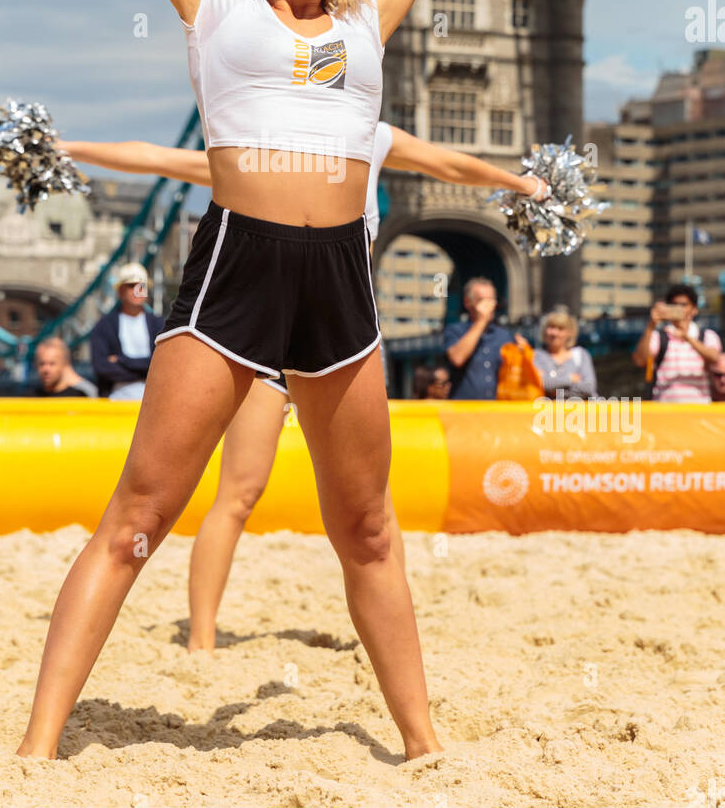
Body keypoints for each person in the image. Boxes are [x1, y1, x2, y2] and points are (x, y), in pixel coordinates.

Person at [16, 0, 524, 764]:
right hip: (235, 267)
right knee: (136, 520)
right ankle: (34, 752)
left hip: (340, 278)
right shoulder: (216, 7)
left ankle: (421, 746)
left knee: (368, 529)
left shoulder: (368, 14)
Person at [59, 124, 543, 651]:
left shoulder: (369, 135)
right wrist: (70, 148)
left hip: (338, 337)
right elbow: (158, 156)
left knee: (374, 503)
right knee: (240, 494)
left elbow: (453, 165)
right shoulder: (269, 139)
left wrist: (526, 186)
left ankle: (380, 639)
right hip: (261, 336)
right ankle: (201, 640)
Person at [632, 284, 722, 402]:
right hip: (664, 411)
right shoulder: (659, 336)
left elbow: (714, 358)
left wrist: (687, 338)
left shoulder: (707, 336)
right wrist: (651, 325)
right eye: (674, 305)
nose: (679, 309)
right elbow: (640, 361)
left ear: (694, 309)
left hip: (698, 410)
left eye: (683, 305)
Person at [89, 263, 165, 400]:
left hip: (154, 400)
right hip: (115, 402)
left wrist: (121, 360)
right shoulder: (104, 326)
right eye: (131, 286)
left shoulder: (159, 324)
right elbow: (101, 367)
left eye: (142, 286)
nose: (137, 290)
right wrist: (145, 371)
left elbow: (164, 365)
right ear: (120, 291)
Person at [443, 279, 514, 399]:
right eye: (481, 300)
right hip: (463, 412)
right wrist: (482, 321)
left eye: (491, 300)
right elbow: (457, 358)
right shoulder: (455, 331)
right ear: (467, 302)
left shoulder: (504, 336)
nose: (489, 306)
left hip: (496, 412)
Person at [529, 310, 597, 398]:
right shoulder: (536, 356)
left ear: (569, 333)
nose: (554, 333)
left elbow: (588, 388)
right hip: (549, 410)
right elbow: (541, 384)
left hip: (581, 411)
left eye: (560, 329)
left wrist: (555, 391)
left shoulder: (581, 355)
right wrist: (570, 379)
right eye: (551, 327)